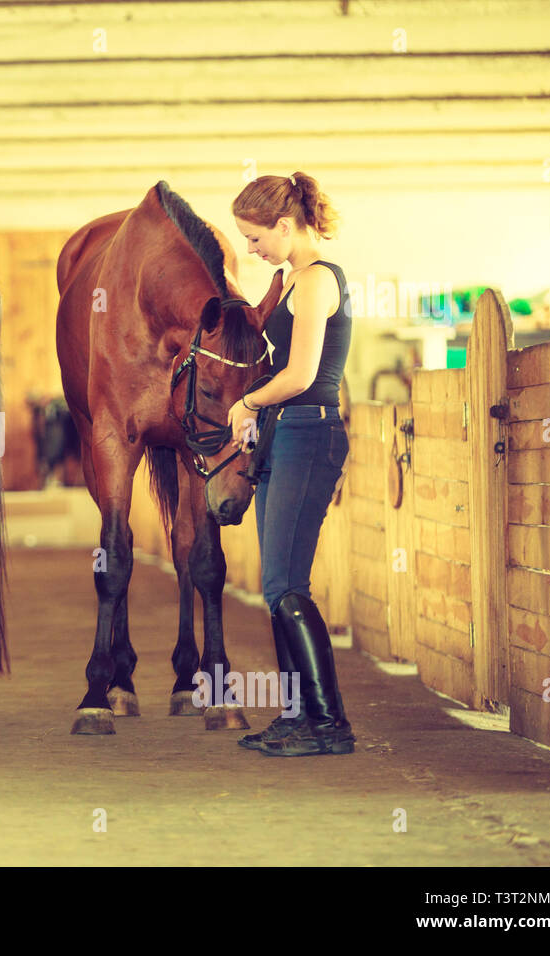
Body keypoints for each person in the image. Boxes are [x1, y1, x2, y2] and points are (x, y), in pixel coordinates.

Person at [227, 172, 354, 756]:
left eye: (255, 238)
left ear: (284, 225)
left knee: (284, 585)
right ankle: (298, 717)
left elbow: (302, 375)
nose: (252, 250)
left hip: (308, 430)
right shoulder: (290, 280)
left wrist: (247, 402)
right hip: (286, 433)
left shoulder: (317, 282)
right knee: (277, 584)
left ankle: (328, 725)